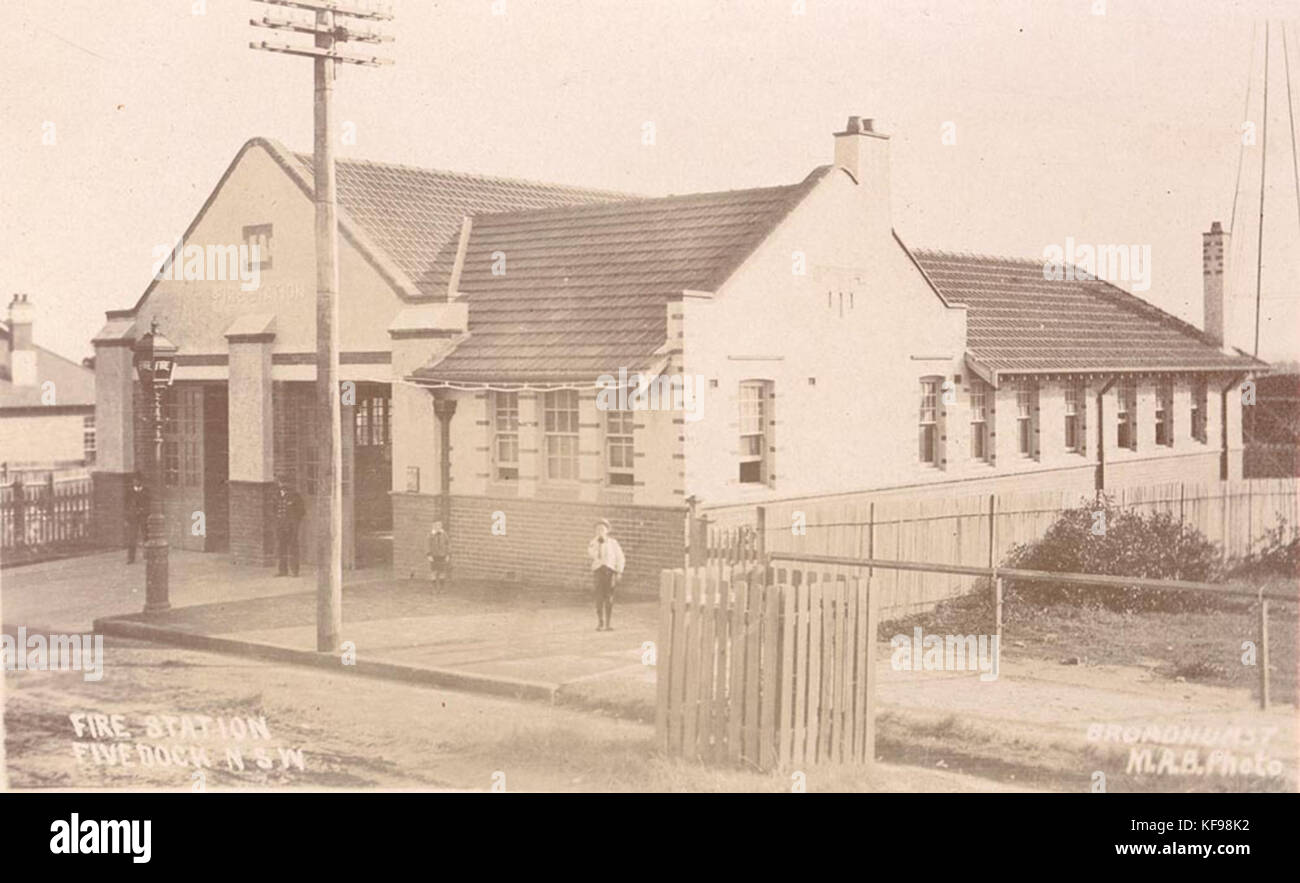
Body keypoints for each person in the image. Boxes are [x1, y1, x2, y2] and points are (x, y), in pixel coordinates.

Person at [586, 518, 625, 631]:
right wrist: (599, 544)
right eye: (598, 529)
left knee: (609, 597)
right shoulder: (593, 542)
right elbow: (592, 554)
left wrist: (619, 571)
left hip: (610, 571)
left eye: (603, 529)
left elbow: (620, 557)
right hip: (598, 571)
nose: (600, 531)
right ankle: (600, 622)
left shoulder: (613, 543)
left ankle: (608, 623)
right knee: (599, 596)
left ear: (607, 530)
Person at [273, 480, 306, 577]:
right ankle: (282, 571)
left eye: (284, 482)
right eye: (280, 482)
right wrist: (278, 522)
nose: (282, 485)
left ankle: (295, 571)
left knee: (293, 547)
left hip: (291, 526)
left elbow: (302, 511)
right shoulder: (277, 495)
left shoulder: (295, 496)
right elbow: (274, 509)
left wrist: (294, 522)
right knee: (281, 548)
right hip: (280, 525)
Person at [125, 474, 148, 564]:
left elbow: (148, 504)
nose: (135, 482)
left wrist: (143, 511)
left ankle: (147, 554)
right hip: (133, 517)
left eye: (137, 480)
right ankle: (131, 558)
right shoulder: (129, 492)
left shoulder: (146, 491)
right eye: (134, 480)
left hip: (143, 516)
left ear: (140, 481)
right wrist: (127, 518)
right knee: (132, 537)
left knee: (145, 535)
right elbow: (126, 506)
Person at [426, 521, 450, 591]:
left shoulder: (444, 534)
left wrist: (448, 554)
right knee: (434, 571)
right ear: (433, 526)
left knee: (442, 571)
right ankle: (434, 587)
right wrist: (429, 554)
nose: (438, 527)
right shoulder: (430, 535)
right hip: (434, 556)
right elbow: (427, 545)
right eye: (436, 525)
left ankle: (442, 587)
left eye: (439, 525)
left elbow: (448, 544)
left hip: (442, 555)